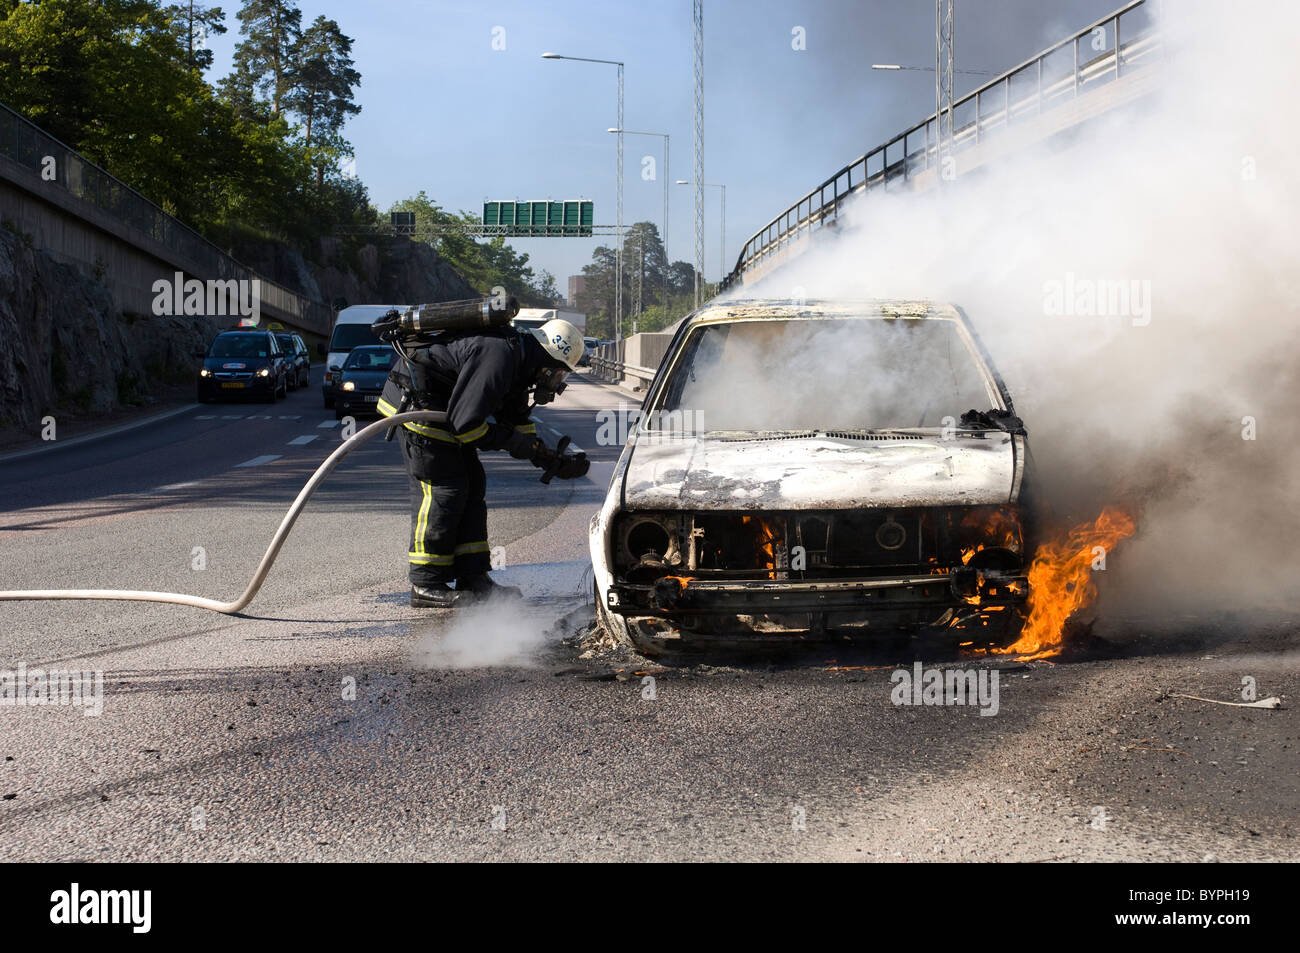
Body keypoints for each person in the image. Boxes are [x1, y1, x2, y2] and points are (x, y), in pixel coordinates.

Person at [376, 317, 589, 608]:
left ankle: (473, 577)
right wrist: (514, 442)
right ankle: (426, 583)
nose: (555, 383)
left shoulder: (521, 362)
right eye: (557, 376)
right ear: (548, 361)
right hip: (419, 410)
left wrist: (545, 456)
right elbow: (468, 426)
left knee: (473, 487)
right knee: (444, 490)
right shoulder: (499, 357)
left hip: (445, 411)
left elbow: (514, 419)